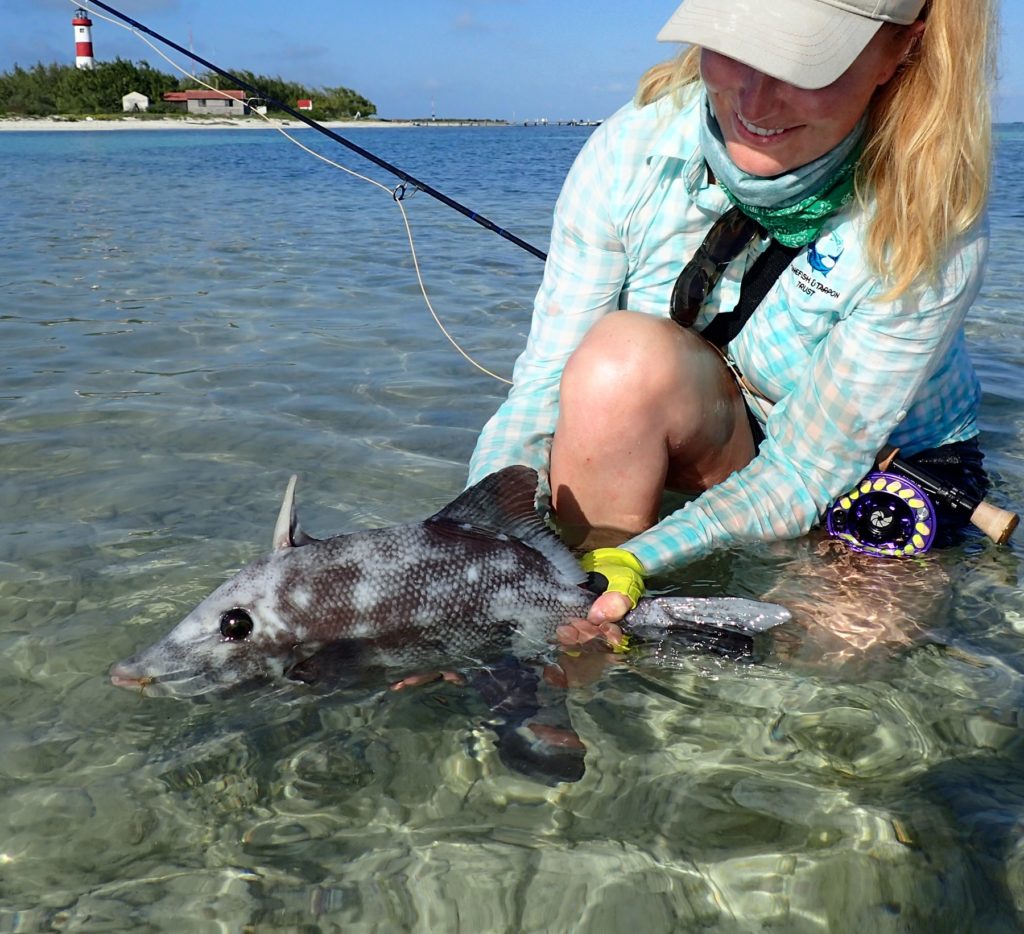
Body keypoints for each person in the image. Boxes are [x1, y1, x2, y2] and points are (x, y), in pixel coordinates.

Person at [467, 0, 996, 646]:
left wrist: (642, 558)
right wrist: (475, 548)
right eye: (736, 45)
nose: (754, 99)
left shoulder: (931, 224)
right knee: (616, 363)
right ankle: (580, 657)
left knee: (837, 666)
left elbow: (803, 472)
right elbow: (542, 388)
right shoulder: (631, 147)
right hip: (730, 412)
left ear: (902, 50)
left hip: (886, 465)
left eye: (805, 63)